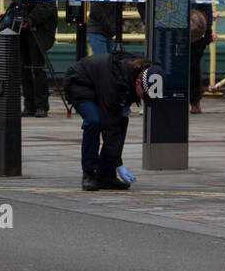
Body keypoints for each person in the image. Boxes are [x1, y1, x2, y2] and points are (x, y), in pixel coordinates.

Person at [63, 53, 161, 190]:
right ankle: (89, 173)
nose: (144, 100)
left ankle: (106, 175)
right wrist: (118, 164)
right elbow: (109, 125)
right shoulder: (116, 81)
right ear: (138, 83)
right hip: (80, 82)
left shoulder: (149, 73)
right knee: (94, 122)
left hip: (102, 85)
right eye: (144, 96)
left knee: (121, 122)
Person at [14, 0, 57, 116]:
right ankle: (29, 104)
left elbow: (47, 5)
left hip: (40, 30)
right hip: (23, 30)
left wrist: (31, 20)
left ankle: (41, 105)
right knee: (24, 68)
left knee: (38, 67)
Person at [188, 0, 212, 113]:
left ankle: (195, 101)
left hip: (195, 29)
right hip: (177, 28)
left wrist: (207, 30)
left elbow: (207, 4)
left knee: (193, 66)